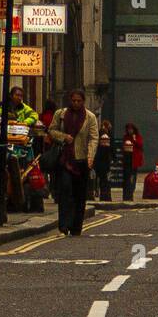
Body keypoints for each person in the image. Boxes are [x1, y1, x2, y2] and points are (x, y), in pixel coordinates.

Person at [47, 88, 98, 236]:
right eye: (73, 100)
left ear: (83, 101)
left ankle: (76, 227)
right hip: (65, 159)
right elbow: (51, 130)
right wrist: (63, 137)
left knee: (79, 195)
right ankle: (64, 224)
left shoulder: (90, 117)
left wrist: (90, 157)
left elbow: (93, 138)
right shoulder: (61, 114)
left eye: (79, 101)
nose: (76, 103)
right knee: (65, 190)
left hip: (82, 161)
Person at [121, 122, 144, 202]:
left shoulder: (137, 137)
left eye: (131, 129)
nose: (130, 130)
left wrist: (134, 139)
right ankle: (126, 195)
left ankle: (130, 193)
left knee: (132, 178)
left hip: (134, 161)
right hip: (127, 161)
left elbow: (140, 145)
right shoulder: (125, 137)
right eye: (128, 129)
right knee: (127, 178)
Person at [95, 117, 114, 202]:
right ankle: (105, 196)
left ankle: (98, 193)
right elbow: (108, 150)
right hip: (104, 162)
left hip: (98, 160)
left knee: (99, 178)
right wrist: (112, 158)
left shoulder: (99, 134)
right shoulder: (106, 136)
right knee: (105, 180)